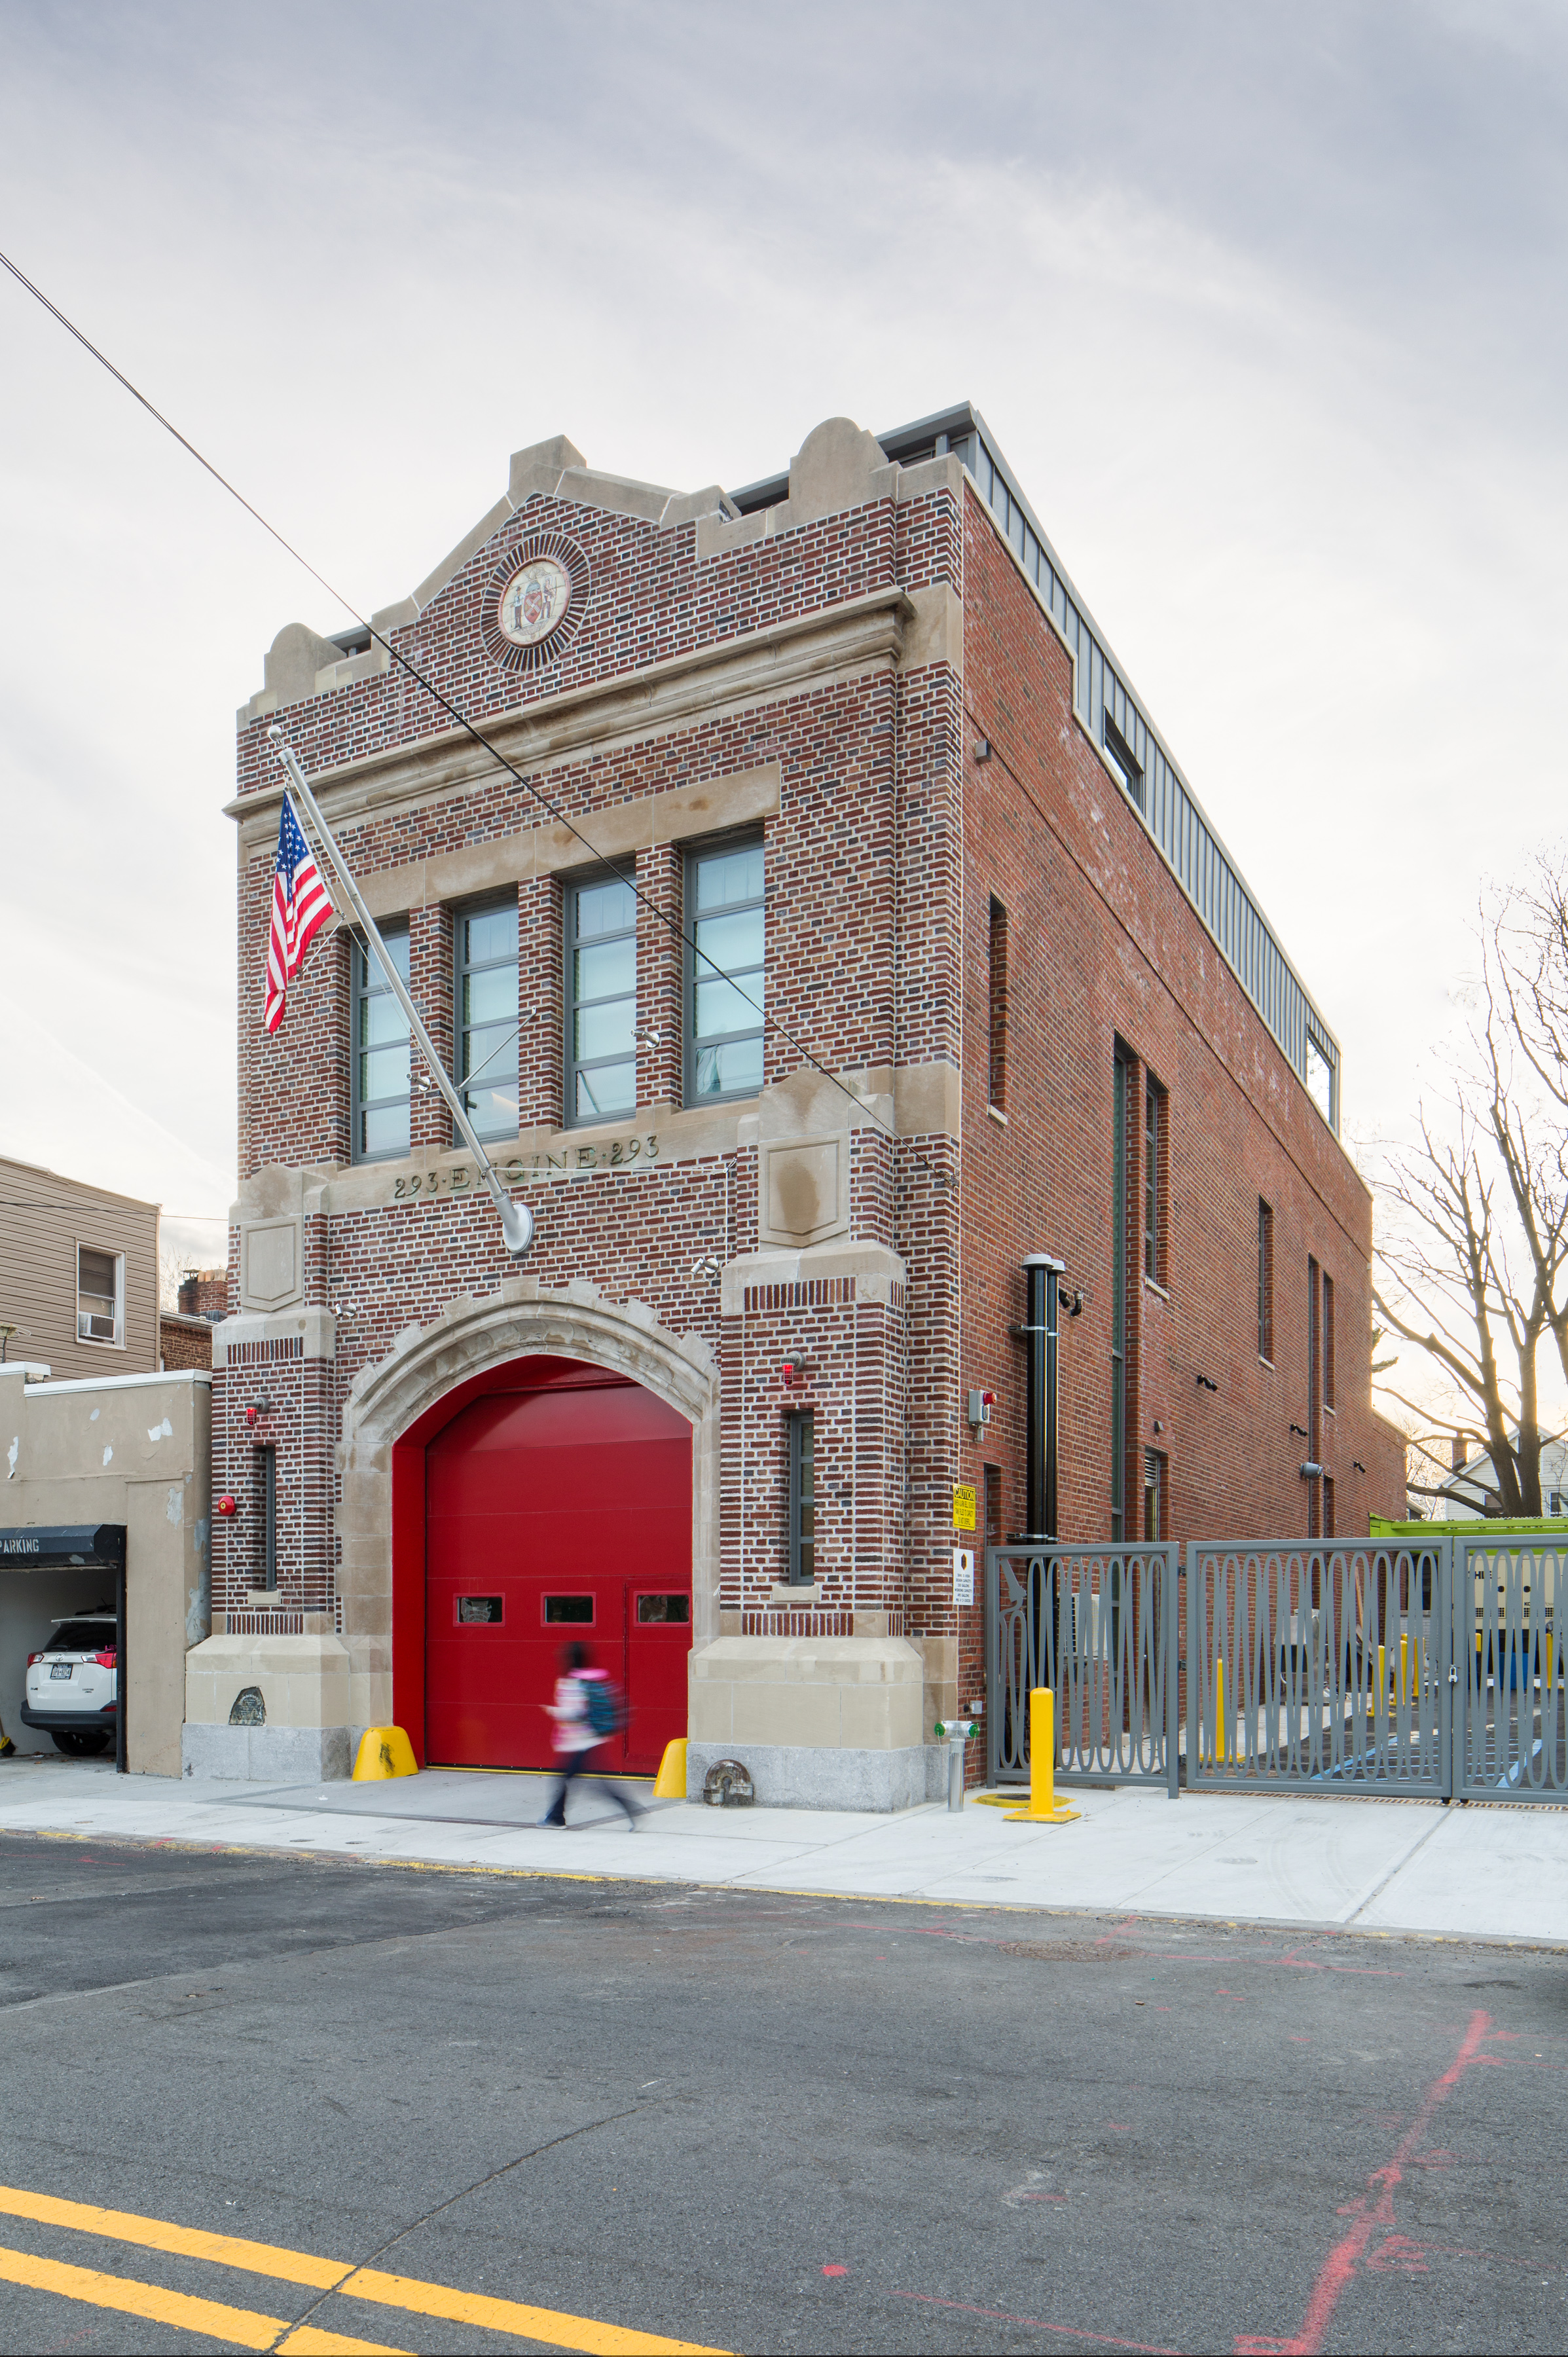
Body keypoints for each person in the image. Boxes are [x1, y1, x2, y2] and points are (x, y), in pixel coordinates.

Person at [538, 1641, 642, 1829]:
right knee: (570, 1779)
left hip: (579, 1743)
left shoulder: (570, 1682)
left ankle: (556, 1818)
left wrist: (552, 1711)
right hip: (594, 1739)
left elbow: (574, 1714)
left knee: (575, 1781)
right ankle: (556, 1817)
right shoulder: (596, 1678)